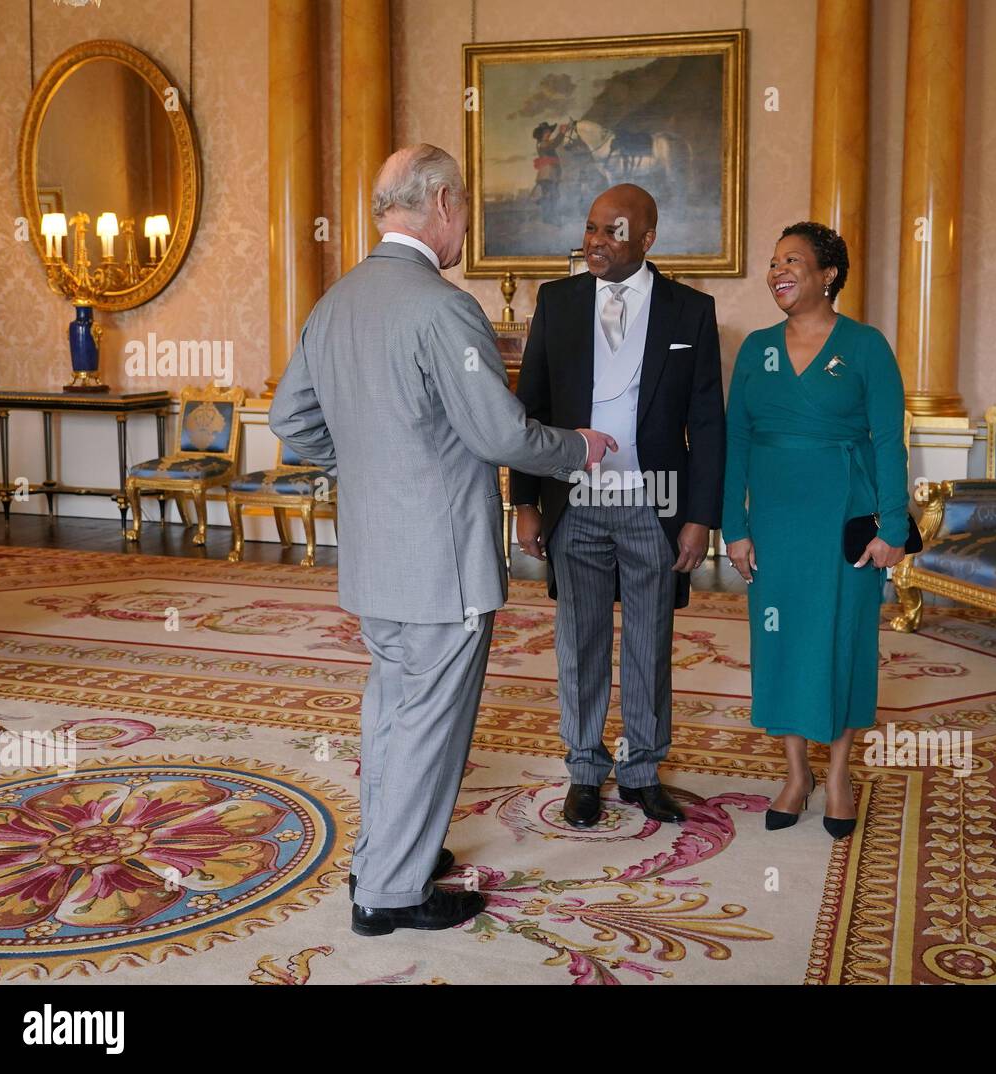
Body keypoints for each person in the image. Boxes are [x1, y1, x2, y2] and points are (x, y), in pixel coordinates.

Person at [269, 144, 616, 935]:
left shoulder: (335, 302)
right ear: (442, 204)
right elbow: (502, 434)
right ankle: (389, 893)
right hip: (439, 564)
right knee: (428, 723)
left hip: (373, 558)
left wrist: (366, 461)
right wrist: (580, 448)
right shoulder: (441, 305)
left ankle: (387, 855)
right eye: (462, 202)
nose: (465, 218)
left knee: (392, 712)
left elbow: (291, 421)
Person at [510, 184, 725, 829]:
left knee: (649, 643)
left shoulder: (691, 311)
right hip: (576, 500)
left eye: (614, 230)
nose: (596, 241)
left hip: (655, 504)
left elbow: (707, 423)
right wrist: (524, 500)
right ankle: (583, 769)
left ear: (647, 239)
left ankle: (641, 772)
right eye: (592, 227)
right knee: (578, 640)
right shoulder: (558, 301)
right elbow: (534, 410)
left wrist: (699, 515)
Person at [721, 222, 909, 840]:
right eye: (773, 261)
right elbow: (736, 442)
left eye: (793, 261)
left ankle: (837, 776)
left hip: (843, 521)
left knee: (843, 641)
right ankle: (796, 773)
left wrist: (896, 525)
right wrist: (735, 526)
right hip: (774, 522)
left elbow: (888, 440)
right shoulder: (756, 348)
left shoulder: (865, 346)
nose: (778, 271)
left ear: (828, 275)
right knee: (781, 643)